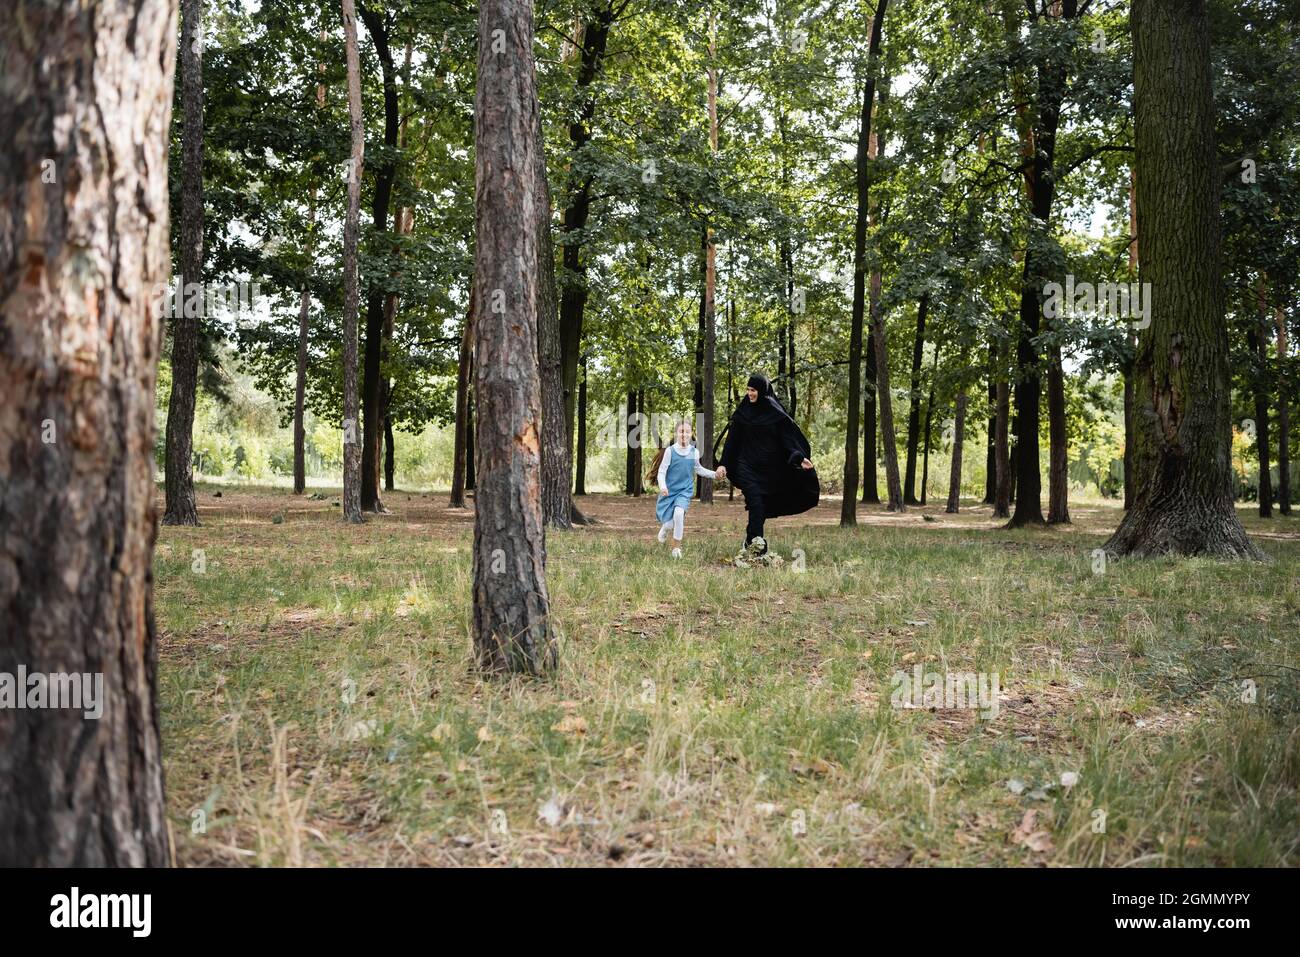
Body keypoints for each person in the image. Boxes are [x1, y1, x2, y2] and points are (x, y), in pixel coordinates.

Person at [719, 373, 818, 553]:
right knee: (756, 500)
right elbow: (732, 441)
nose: (750, 394)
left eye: (753, 390)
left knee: (761, 506)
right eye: (748, 390)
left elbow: (787, 439)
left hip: (767, 469)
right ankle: (758, 548)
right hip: (745, 465)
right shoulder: (743, 412)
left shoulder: (775, 413)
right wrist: (723, 463)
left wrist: (798, 457)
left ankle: (750, 543)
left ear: (762, 391)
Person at [647, 419, 725, 559]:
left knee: (678, 515)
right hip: (669, 491)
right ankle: (665, 528)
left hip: (684, 491)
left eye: (687, 432)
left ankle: (676, 549)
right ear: (676, 434)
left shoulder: (694, 452)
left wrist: (714, 475)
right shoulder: (670, 452)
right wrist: (663, 487)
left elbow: (698, 469)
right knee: (670, 523)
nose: (684, 434)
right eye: (681, 431)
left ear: (691, 434)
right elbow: (661, 472)